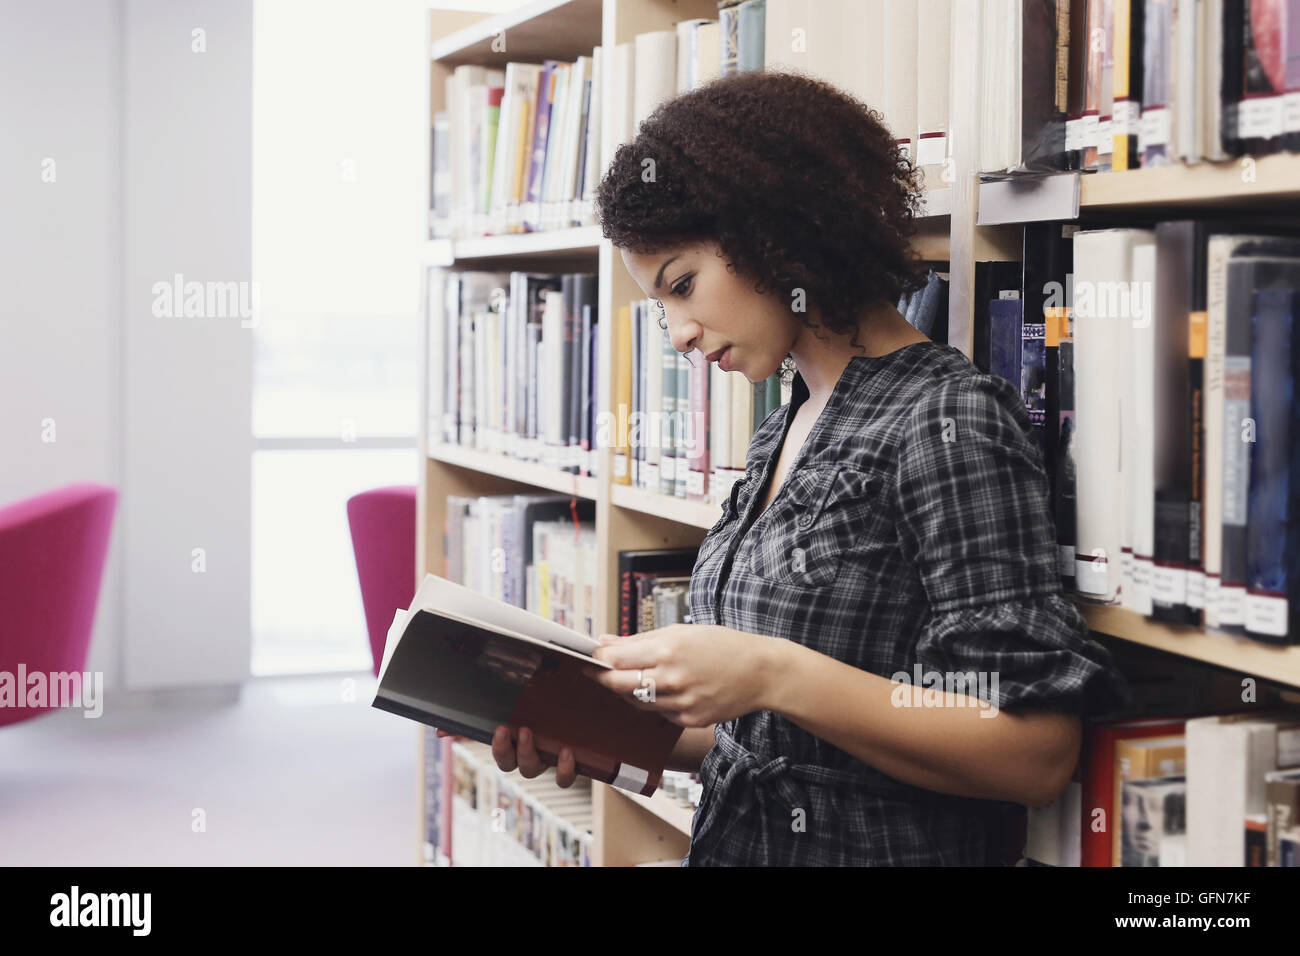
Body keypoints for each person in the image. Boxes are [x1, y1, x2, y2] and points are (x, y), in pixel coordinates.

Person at [473, 69, 1131, 865]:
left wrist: (771, 672)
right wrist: (596, 729)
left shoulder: (948, 418)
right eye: (661, 305)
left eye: (684, 285)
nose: (678, 332)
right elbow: (772, 741)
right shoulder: (786, 423)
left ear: (773, 233)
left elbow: (1033, 752)